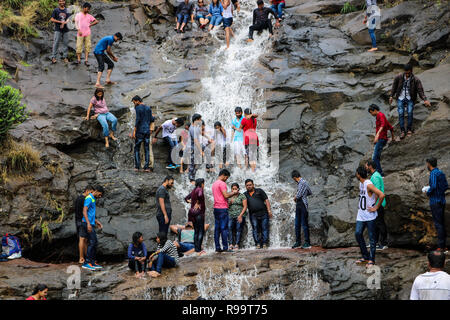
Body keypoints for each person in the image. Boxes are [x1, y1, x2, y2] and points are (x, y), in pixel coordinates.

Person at [389, 64, 431, 139]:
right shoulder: (398, 77)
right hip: (400, 97)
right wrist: (391, 96)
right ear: (404, 72)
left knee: (410, 112)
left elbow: (420, 90)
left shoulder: (416, 79)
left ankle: (409, 129)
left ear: (411, 71)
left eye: (409, 73)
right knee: (401, 113)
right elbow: (394, 87)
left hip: (410, 98)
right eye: (406, 73)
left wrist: (425, 100)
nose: (407, 74)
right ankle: (402, 131)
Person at [354, 166, 385, 268]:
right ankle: (365, 256)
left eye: (356, 173)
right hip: (361, 214)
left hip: (370, 216)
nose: (356, 175)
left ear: (359, 174)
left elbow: (381, 195)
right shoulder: (361, 184)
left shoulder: (368, 184)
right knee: (358, 234)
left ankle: (371, 259)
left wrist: (375, 207)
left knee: (372, 239)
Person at [423, 157, 448, 252]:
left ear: (429, 164)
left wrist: (428, 192)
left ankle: (441, 247)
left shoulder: (433, 173)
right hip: (442, 200)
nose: (427, 166)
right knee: (442, 223)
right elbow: (446, 186)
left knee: (438, 224)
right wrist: (439, 192)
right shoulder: (441, 173)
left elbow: (433, 186)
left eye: (427, 164)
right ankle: (443, 245)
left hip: (435, 201)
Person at [212, 169, 238, 252]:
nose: (226, 179)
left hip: (216, 208)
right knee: (224, 229)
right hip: (222, 208)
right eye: (226, 177)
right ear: (223, 175)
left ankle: (217, 247)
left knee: (217, 229)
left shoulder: (214, 183)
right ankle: (225, 248)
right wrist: (234, 192)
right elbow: (226, 195)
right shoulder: (222, 183)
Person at [80, 185, 104, 271]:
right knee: (92, 242)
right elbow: (84, 211)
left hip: (90, 223)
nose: (100, 196)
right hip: (87, 223)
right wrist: (89, 224)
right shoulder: (89, 198)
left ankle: (92, 262)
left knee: (94, 242)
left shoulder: (93, 199)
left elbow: (91, 213)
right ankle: (87, 262)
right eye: (100, 194)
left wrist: (97, 222)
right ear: (96, 191)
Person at [365, 160, 388, 250]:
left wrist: (374, 205)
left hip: (379, 203)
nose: (366, 167)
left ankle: (384, 243)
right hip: (377, 203)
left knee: (380, 223)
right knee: (376, 224)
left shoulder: (376, 176)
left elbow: (377, 192)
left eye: (366, 166)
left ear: (370, 166)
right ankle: (375, 242)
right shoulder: (375, 175)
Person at [244, 179, 272, 249]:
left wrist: (269, 210)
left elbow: (266, 200)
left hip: (264, 213)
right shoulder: (245, 194)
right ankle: (257, 244)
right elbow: (242, 204)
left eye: (250, 185)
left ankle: (265, 243)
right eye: (247, 185)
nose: (249, 186)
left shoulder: (259, 191)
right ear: (245, 186)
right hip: (253, 215)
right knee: (255, 229)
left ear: (253, 185)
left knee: (264, 228)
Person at [368, 104, 395, 176]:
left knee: (375, 157)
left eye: (371, 112)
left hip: (381, 139)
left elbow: (383, 125)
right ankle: (379, 172)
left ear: (374, 110)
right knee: (377, 156)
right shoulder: (380, 116)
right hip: (382, 139)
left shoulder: (380, 115)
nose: (371, 114)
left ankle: (380, 173)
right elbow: (390, 127)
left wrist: (377, 135)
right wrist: (393, 138)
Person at [185, 178, 209, 254]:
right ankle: (199, 249)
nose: (204, 185)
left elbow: (186, 198)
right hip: (199, 213)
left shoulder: (193, 190)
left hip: (192, 213)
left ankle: (196, 248)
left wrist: (192, 202)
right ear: (201, 183)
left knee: (196, 231)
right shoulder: (200, 189)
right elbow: (200, 195)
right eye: (203, 183)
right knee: (201, 231)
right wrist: (198, 202)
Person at [132, 95, 155, 172]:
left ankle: (137, 166)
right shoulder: (148, 108)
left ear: (138, 101)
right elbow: (152, 119)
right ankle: (146, 167)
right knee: (147, 149)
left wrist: (134, 131)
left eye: (134, 102)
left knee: (137, 148)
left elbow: (138, 120)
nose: (134, 104)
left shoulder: (138, 108)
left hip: (140, 131)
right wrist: (153, 117)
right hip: (147, 131)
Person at [291, 170, 312, 249]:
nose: (294, 180)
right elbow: (309, 192)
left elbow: (299, 195)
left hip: (302, 204)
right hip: (300, 204)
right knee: (298, 224)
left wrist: (295, 197)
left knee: (303, 224)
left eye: (294, 179)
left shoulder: (302, 182)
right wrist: (304, 195)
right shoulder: (303, 183)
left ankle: (307, 242)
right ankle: (298, 241)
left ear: (295, 177)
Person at [74, 185, 94, 264]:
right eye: (91, 192)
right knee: (82, 239)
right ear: (87, 191)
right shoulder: (84, 199)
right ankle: (81, 258)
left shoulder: (78, 198)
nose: (91, 194)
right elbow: (85, 211)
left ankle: (86, 257)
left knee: (85, 239)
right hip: (82, 221)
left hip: (78, 220)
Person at [50, 0, 71, 64]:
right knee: (56, 43)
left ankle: (65, 57)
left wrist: (65, 22)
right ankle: (53, 57)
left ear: (65, 2)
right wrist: (60, 22)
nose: (61, 2)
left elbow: (69, 18)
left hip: (66, 30)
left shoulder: (67, 10)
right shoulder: (56, 10)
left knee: (65, 43)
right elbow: (52, 19)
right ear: (58, 2)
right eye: (60, 1)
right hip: (58, 29)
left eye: (63, 1)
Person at [228, 183, 248, 250]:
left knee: (238, 229)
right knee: (229, 228)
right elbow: (225, 206)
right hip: (230, 215)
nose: (234, 190)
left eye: (235, 189)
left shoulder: (242, 196)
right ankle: (230, 244)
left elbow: (245, 206)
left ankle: (237, 244)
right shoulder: (229, 196)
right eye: (233, 189)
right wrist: (229, 203)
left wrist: (240, 215)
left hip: (240, 215)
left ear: (238, 189)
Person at [188, 114, 204, 182]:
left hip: (195, 147)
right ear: (196, 120)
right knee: (192, 163)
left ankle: (193, 176)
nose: (201, 121)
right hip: (192, 148)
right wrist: (201, 151)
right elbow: (196, 140)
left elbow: (201, 133)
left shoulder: (196, 127)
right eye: (200, 119)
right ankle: (191, 179)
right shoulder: (192, 128)